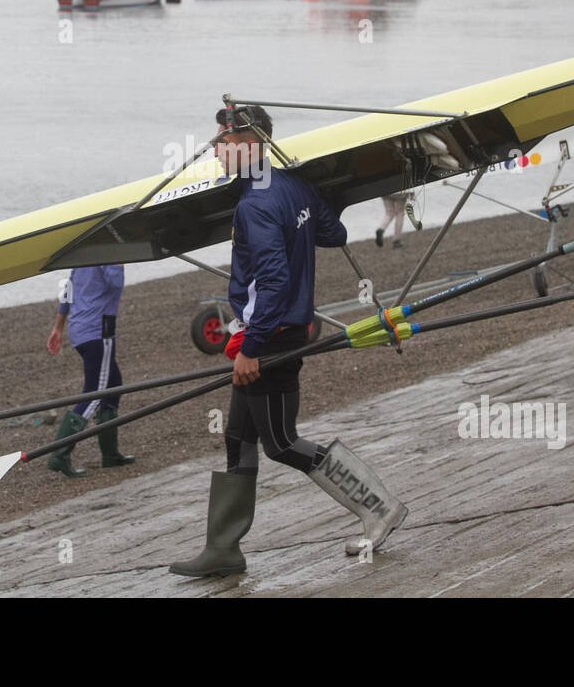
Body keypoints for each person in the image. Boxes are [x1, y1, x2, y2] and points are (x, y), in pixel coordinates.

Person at [169, 105, 408, 577]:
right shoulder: (292, 185)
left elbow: (273, 281)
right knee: (238, 436)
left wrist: (253, 347)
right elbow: (334, 232)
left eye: (226, 141)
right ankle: (223, 548)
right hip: (272, 329)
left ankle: (379, 507)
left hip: (272, 334)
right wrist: (319, 202)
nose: (216, 149)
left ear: (253, 143)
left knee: (280, 441)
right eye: (216, 140)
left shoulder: (256, 203)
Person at [45, 264, 135, 476]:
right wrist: (119, 262)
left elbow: (67, 289)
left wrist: (58, 327)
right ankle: (59, 454)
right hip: (98, 331)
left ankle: (110, 455)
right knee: (96, 393)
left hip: (79, 330)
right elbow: (116, 284)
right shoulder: (108, 255)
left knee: (113, 383)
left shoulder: (84, 257)